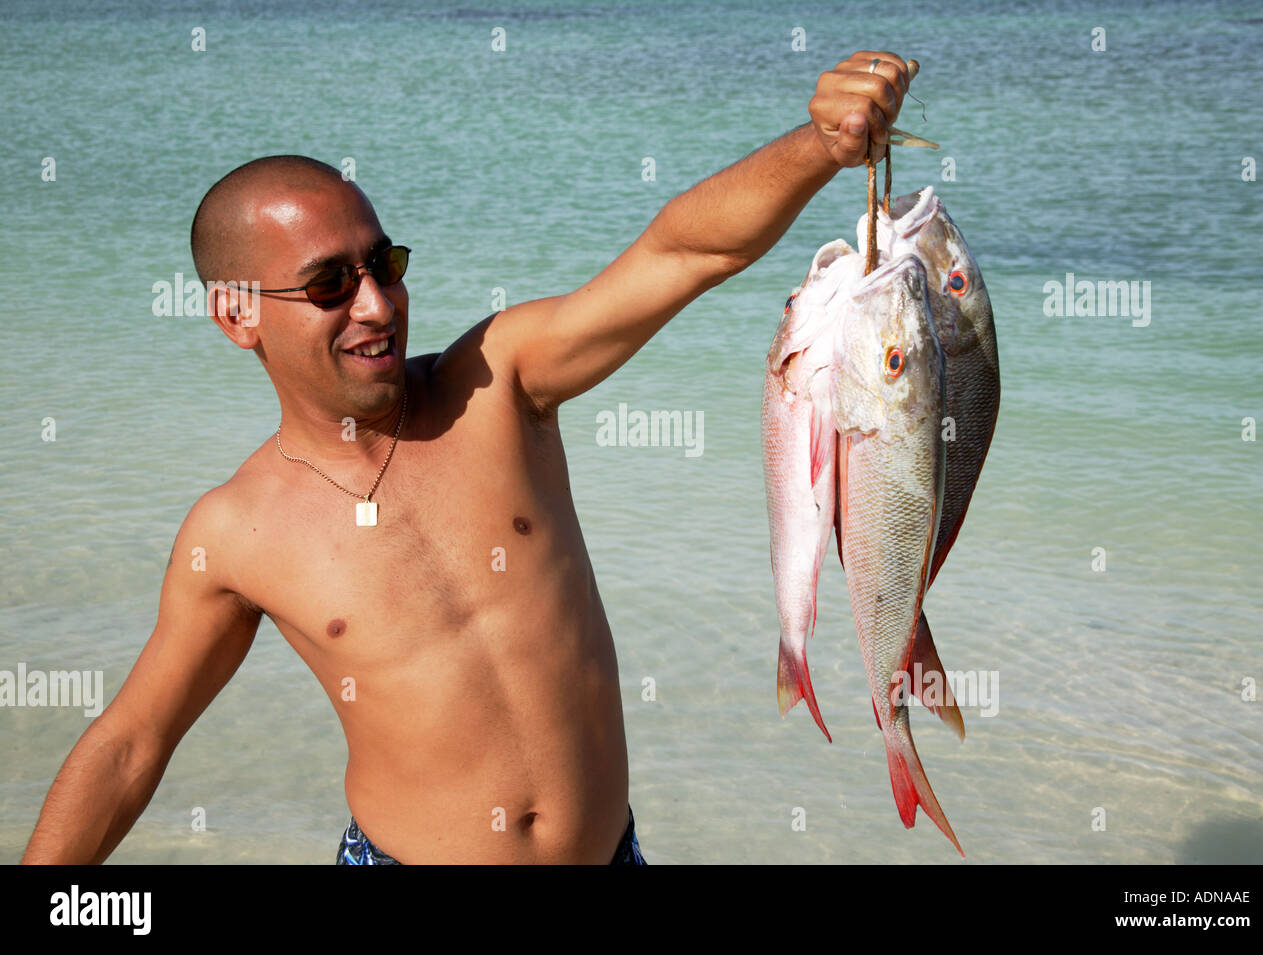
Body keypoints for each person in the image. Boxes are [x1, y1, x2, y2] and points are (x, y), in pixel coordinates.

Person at [21, 51, 913, 865]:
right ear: (237, 313)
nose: (375, 304)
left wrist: (820, 145)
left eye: (387, 263)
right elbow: (132, 743)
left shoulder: (500, 380)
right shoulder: (236, 532)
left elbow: (686, 250)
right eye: (330, 283)